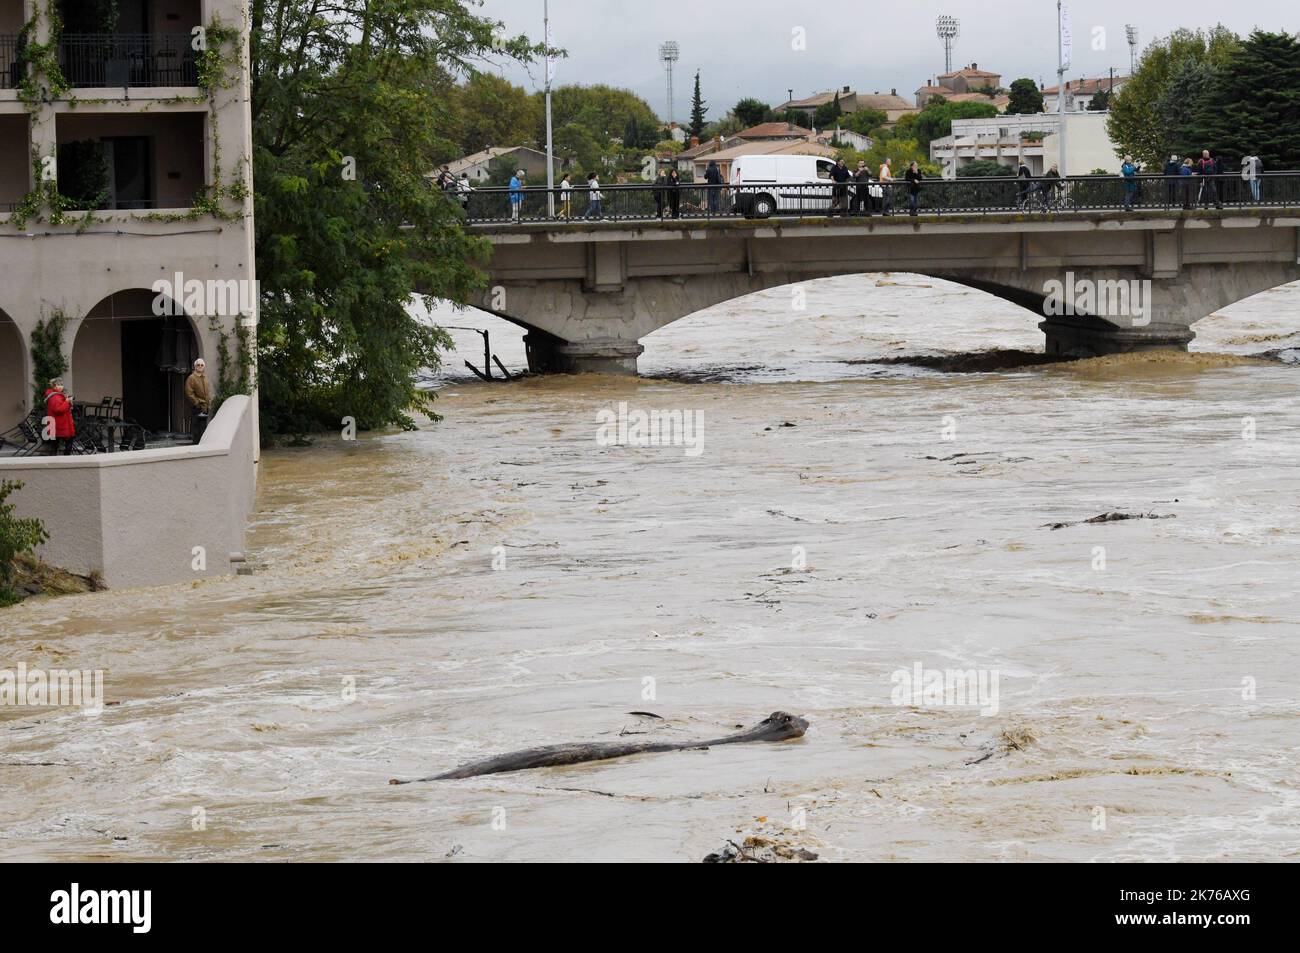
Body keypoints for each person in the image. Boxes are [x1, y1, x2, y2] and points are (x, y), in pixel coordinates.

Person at [42, 378, 75, 455]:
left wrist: (66, 400)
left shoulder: (55, 395)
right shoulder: (55, 397)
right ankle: (66, 459)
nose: (60, 387)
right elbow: (58, 410)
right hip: (61, 424)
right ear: (54, 386)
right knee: (68, 441)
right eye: (58, 385)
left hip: (57, 424)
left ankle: (53, 461)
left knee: (55, 444)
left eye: (61, 385)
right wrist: (67, 401)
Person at [185, 358, 213, 444]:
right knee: (196, 429)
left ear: (204, 367)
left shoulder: (205, 378)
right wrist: (197, 403)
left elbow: (208, 392)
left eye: (202, 365)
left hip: (205, 407)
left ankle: (201, 446)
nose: (200, 366)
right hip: (197, 407)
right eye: (198, 365)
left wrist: (209, 402)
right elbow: (189, 392)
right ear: (195, 367)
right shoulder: (191, 378)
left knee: (203, 429)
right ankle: (196, 446)